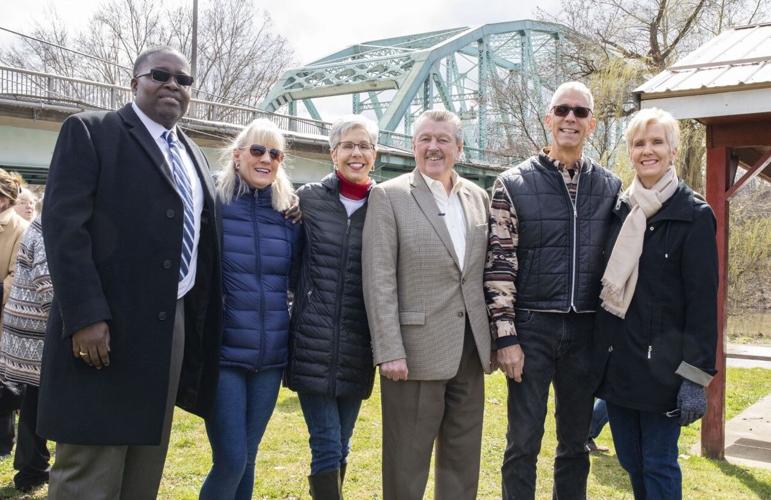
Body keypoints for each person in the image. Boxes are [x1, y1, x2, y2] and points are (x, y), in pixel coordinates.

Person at [38, 46, 223, 499]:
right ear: (134, 82)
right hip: (104, 325)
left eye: (184, 80)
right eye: (161, 74)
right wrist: (84, 316)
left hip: (168, 325)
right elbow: (65, 230)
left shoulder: (193, 154)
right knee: (90, 464)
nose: (173, 85)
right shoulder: (91, 130)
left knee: (144, 464)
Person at [484, 81, 621, 499]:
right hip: (532, 328)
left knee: (575, 445)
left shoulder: (611, 187)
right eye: (562, 110)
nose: (570, 119)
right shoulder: (513, 183)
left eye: (580, 112)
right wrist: (505, 336)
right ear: (548, 119)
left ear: (591, 124)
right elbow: (500, 264)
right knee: (523, 441)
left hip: (585, 332)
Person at [363, 109, 492, 500]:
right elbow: (378, 278)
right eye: (424, 139)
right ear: (414, 145)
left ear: (459, 147)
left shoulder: (478, 197)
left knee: (463, 461)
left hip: (470, 351)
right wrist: (389, 350)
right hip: (413, 355)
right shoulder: (390, 196)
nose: (433, 147)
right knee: (406, 464)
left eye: (442, 139)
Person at [594, 107, 717, 500]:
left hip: (664, 372)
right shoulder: (619, 210)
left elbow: (702, 303)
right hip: (618, 366)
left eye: (657, 142)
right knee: (630, 461)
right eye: (639, 143)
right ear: (630, 151)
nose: (648, 151)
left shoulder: (693, 215)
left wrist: (695, 379)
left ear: (673, 151)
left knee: (659, 465)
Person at [199, 118, 300, 500]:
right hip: (223, 355)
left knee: (249, 456)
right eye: (257, 150)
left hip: (270, 358)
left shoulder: (288, 216)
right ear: (238, 155)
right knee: (231, 458)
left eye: (275, 153)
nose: (266, 159)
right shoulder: (213, 204)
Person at [286, 115, 378, 498]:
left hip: (359, 344)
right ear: (333, 153)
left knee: (342, 442)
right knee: (325, 442)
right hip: (313, 341)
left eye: (364, 146)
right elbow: (289, 263)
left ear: (375, 154)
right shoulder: (306, 199)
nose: (356, 153)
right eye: (347, 145)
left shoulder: (386, 205)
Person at [0, 214, 51, 492]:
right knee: (35, 403)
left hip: (30, 327)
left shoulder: (41, 221)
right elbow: (47, 282)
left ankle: (33, 468)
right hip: (36, 330)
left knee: (33, 401)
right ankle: (31, 472)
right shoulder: (50, 223)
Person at [0, 170, 28, 457]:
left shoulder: (19, 228)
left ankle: (2, 444)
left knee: (2, 383)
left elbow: (16, 276)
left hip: (3, 317)